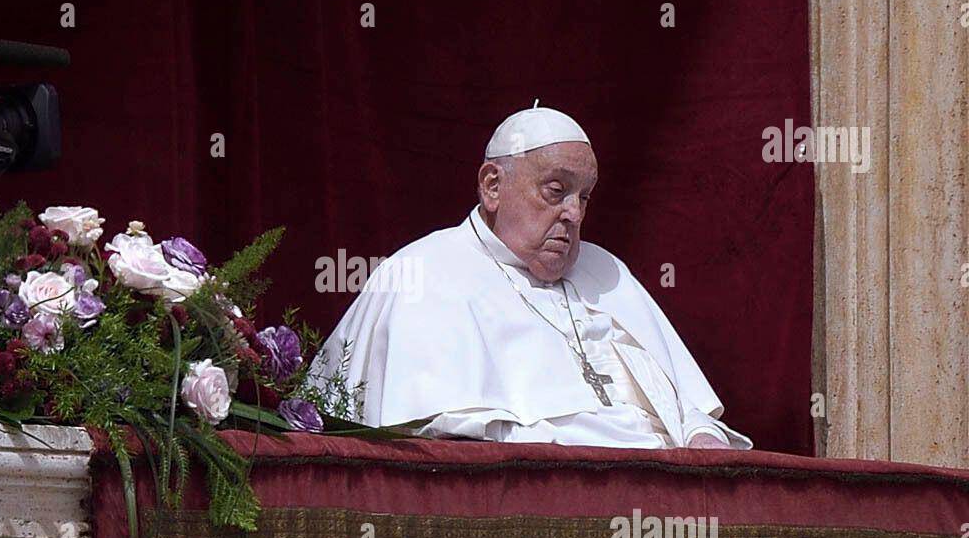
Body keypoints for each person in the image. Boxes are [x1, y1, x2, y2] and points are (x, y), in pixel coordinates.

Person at [307, 103, 751, 449]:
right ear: (492, 186)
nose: (574, 214)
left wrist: (698, 434)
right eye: (556, 191)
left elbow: (686, 407)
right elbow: (456, 437)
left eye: (585, 196)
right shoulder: (420, 275)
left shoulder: (606, 271)